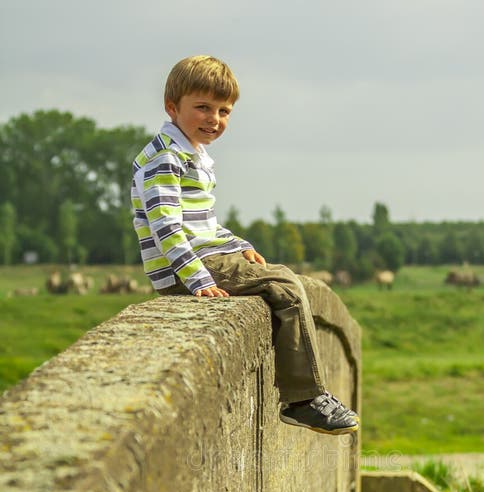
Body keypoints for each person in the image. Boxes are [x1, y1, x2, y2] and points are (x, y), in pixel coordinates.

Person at [131, 55, 358, 436]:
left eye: (223, 111)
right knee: (284, 285)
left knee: (281, 277)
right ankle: (302, 399)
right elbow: (167, 230)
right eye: (202, 108)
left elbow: (205, 224)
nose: (214, 119)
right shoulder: (166, 160)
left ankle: (305, 395)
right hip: (187, 270)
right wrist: (199, 281)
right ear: (173, 107)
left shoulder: (194, 156)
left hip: (203, 259)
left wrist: (240, 244)